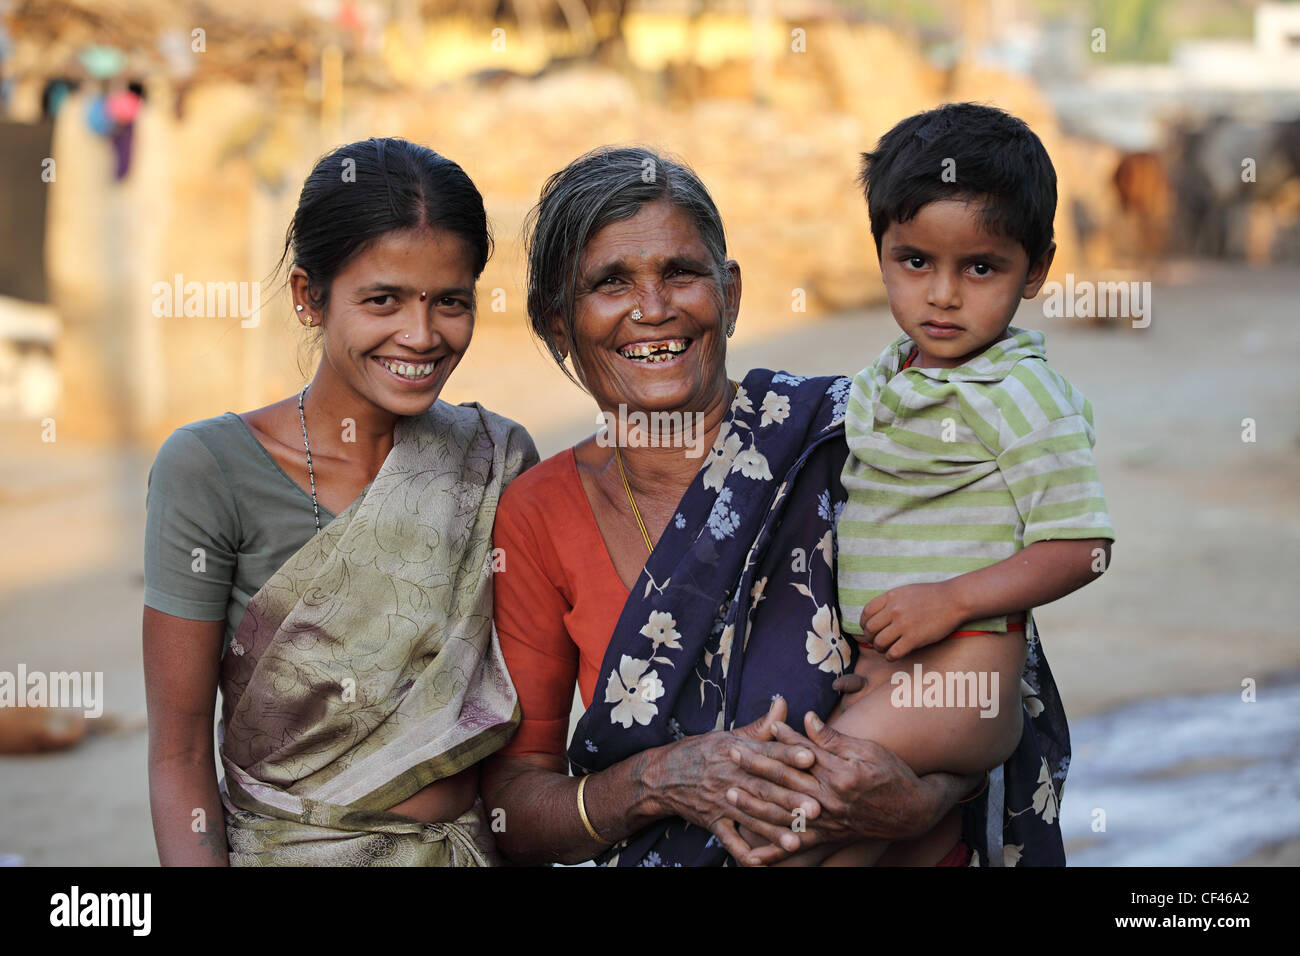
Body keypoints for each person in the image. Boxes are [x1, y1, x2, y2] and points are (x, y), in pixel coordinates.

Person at [480, 145, 1052, 867]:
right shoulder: (538, 515)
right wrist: (658, 780)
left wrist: (927, 798)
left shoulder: (863, 435)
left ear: (731, 293)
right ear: (558, 324)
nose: (653, 308)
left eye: (681, 273)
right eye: (610, 282)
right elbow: (513, 809)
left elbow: (990, 679)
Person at [142, 137, 537, 866]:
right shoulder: (210, 469)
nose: (420, 336)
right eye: (383, 299)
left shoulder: (494, 461)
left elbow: (519, 739)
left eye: (449, 302)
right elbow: (178, 753)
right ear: (307, 297)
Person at [764, 103, 1115, 866]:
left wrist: (951, 599)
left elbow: (1083, 548)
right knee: (867, 847)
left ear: (1038, 270)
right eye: (915, 262)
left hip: (962, 685)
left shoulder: (1020, 391)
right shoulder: (883, 381)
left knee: (791, 821)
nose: (944, 295)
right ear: (881, 251)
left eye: (980, 268)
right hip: (888, 683)